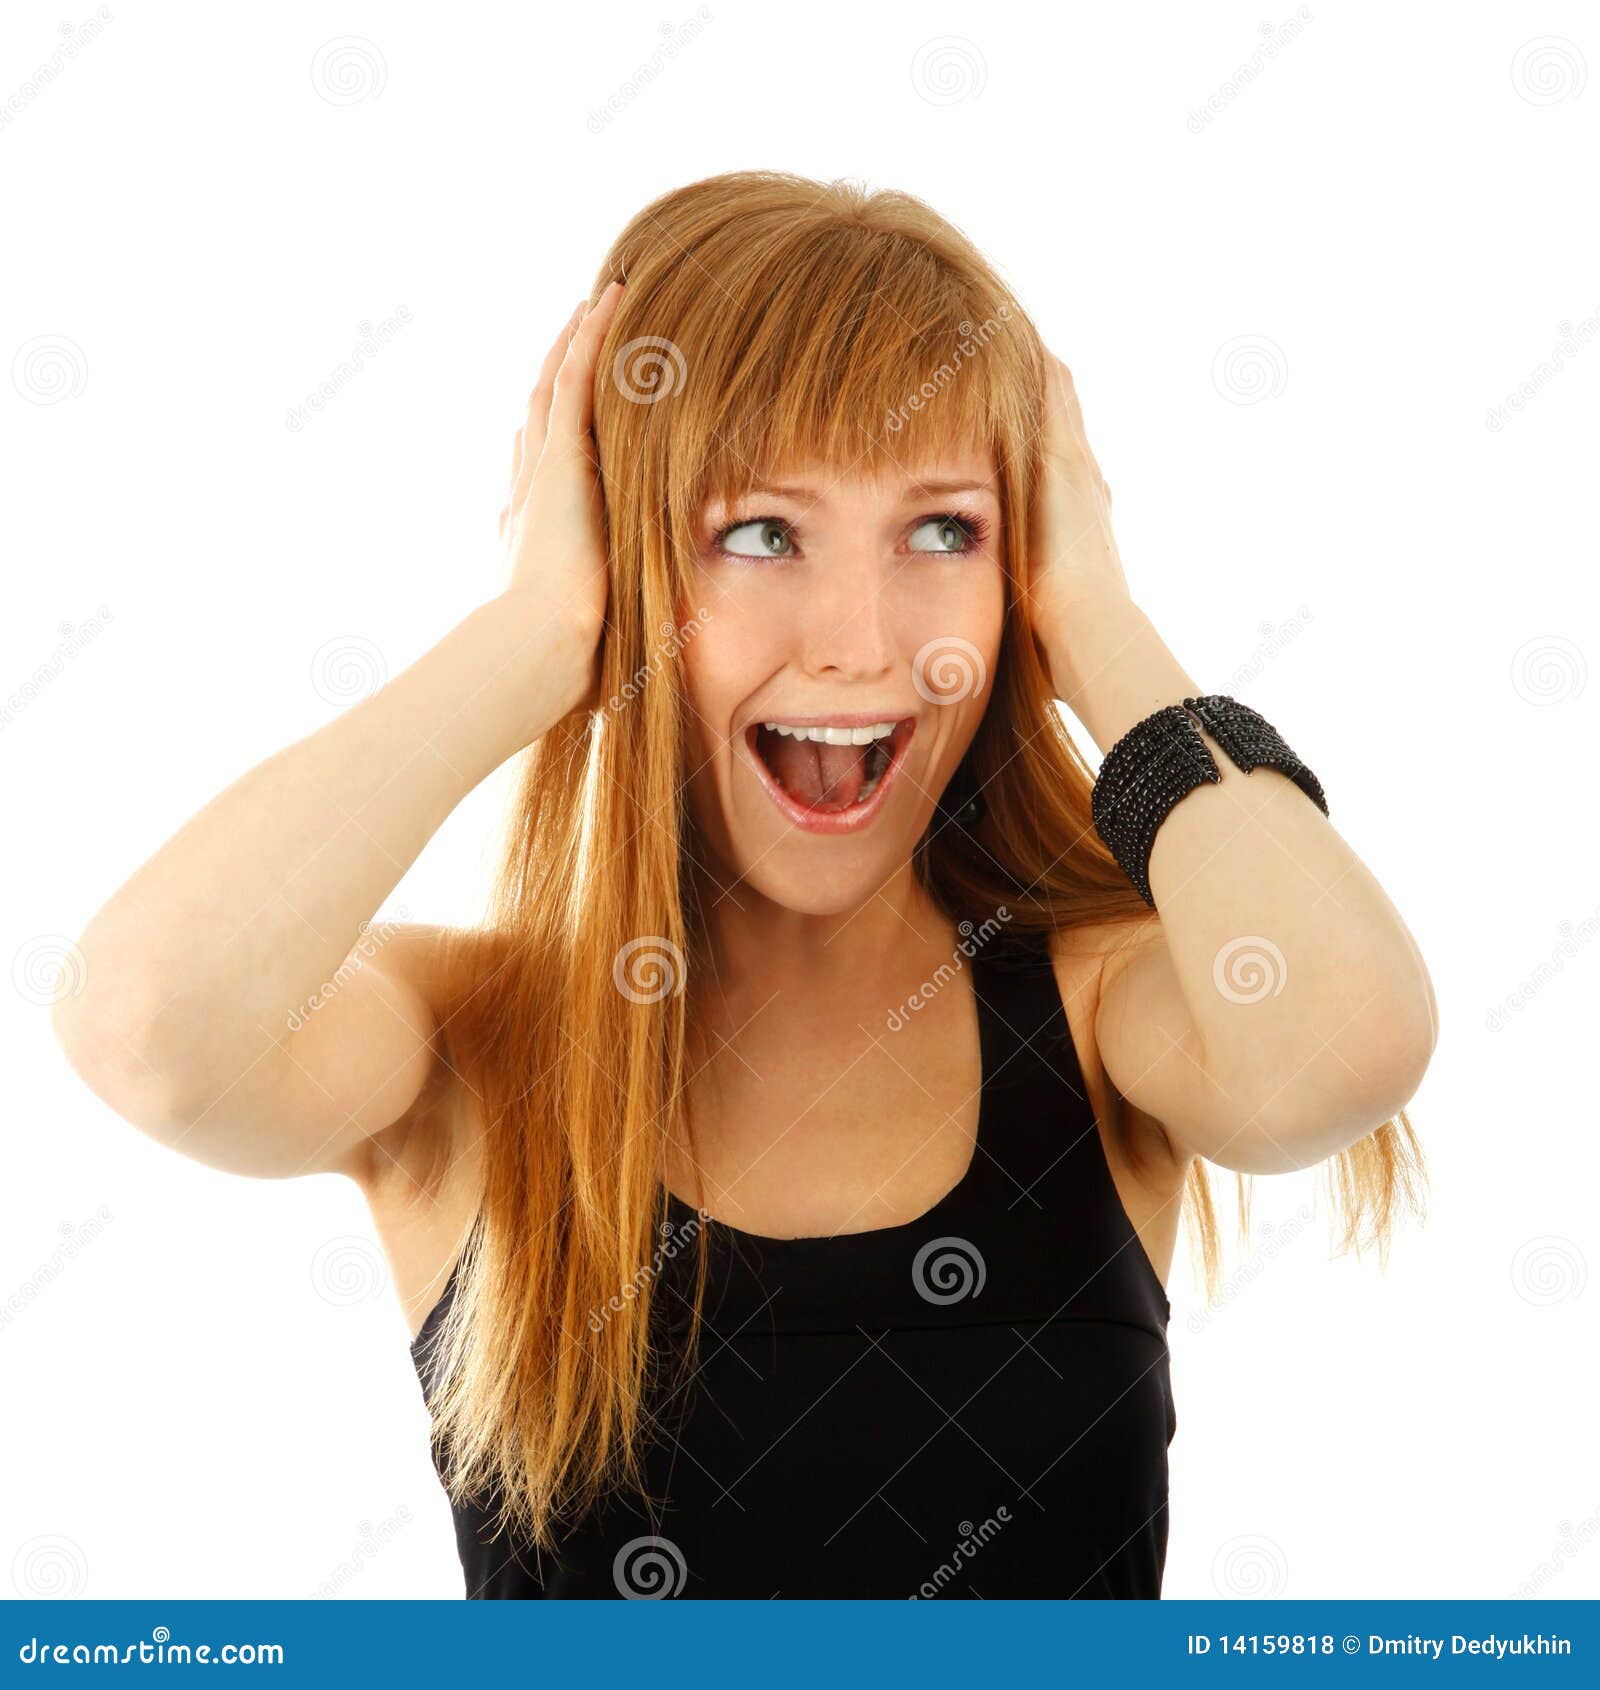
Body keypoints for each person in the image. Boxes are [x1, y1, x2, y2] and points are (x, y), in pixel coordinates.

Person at [53, 169, 1436, 1599]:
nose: (859, 640)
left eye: (944, 531)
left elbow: (1347, 1036)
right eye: (762, 533)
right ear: (623, 557)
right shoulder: (466, 1049)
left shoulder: (1106, 1019)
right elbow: (147, 1021)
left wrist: (1100, 620)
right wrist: (535, 634)